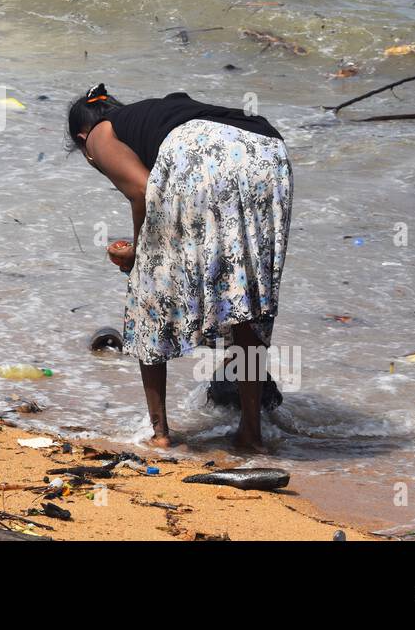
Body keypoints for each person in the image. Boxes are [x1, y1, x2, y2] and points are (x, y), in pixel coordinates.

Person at [67, 84, 292, 451]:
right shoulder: (157, 113)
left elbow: (141, 191)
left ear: (81, 139)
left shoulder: (98, 135)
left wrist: (137, 253)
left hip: (199, 155)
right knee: (245, 298)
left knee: (148, 294)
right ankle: (251, 433)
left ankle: (161, 435)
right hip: (268, 151)